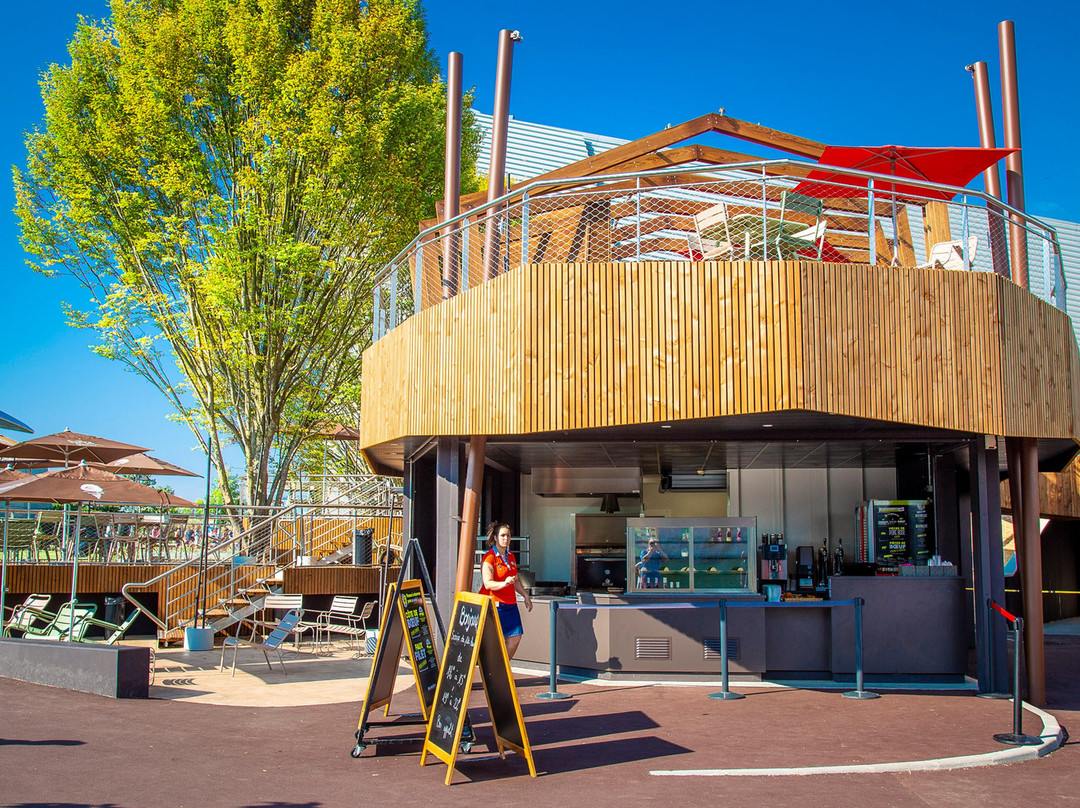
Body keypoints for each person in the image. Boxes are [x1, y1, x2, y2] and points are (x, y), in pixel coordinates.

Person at [479, 521, 532, 658]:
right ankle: (496, 670)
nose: (506, 539)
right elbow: (488, 584)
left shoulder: (511, 556)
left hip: (510, 604)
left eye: (508, 536)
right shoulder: (489, 558)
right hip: (495, 605)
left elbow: (515, 580)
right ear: (495, 538)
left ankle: (503, 668)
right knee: (495, 641)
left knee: (515, 637)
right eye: (502, 536)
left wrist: (525, 596)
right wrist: (504, 583)